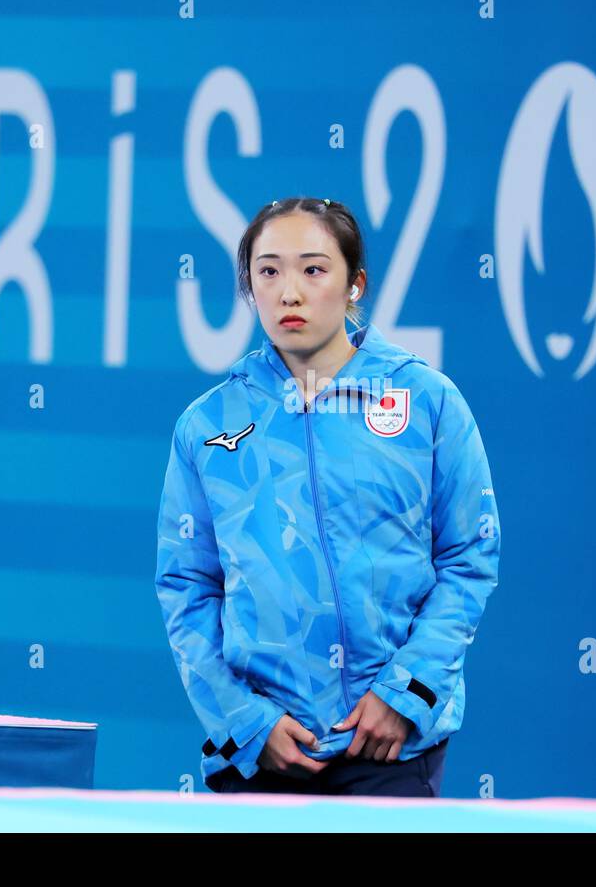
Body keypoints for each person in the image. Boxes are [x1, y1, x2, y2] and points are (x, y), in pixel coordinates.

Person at [154, 196, 501, 796]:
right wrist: (246, 724)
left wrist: (407, 693)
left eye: (313, 270)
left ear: (354, 285)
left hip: (391, 748)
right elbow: (187, 588)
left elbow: (470, 561)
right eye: (268, 271)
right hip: (261, 758)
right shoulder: (206, 425)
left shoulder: (428, 401)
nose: (290, 292)